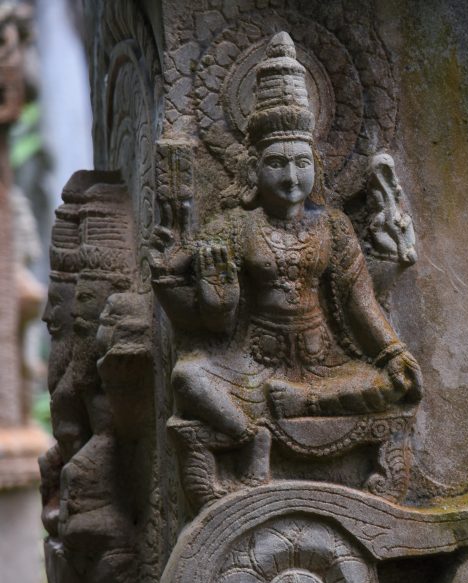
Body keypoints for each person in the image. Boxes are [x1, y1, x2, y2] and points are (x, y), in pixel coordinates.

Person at [155, 32, 421, 510]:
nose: (292, 176)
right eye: (277, 163)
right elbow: (207, 310)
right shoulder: (235, 226)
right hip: (253, 360)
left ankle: (305, 401)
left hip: (325, 361)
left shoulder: (335, 227)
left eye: (302, 163)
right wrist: (214, 293)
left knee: (389, 382)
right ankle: (249, 434)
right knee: (188, 377)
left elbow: (361, 304)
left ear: (317, 165)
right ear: (253, 171)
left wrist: (393, 352)